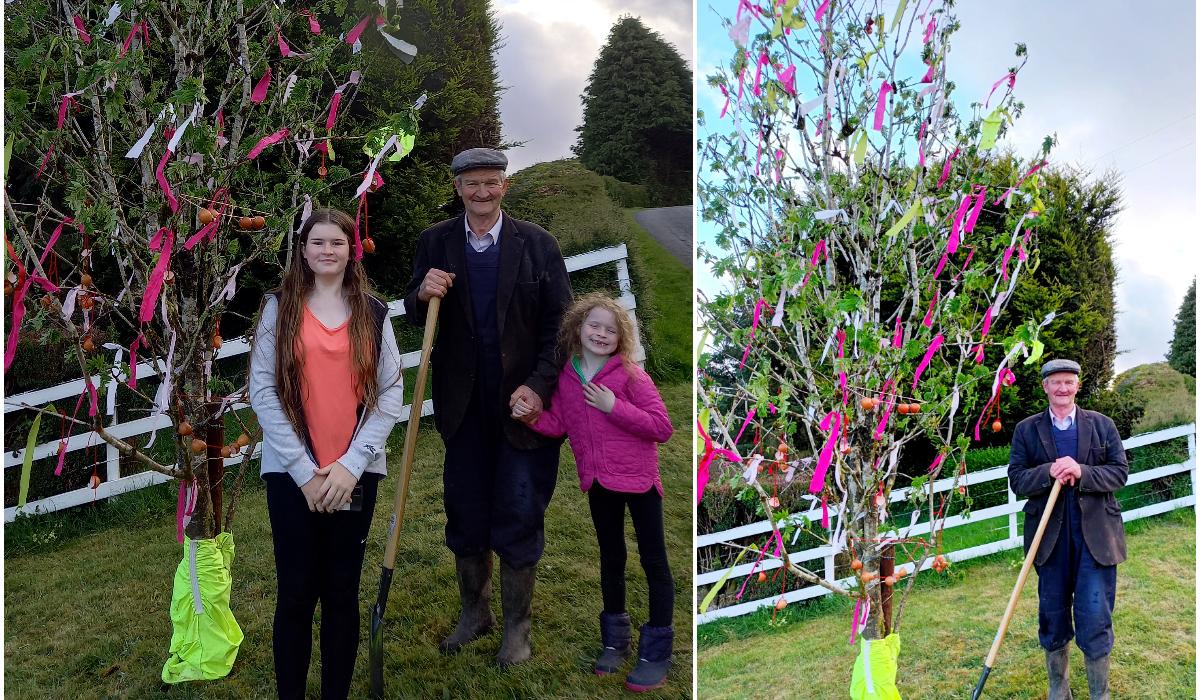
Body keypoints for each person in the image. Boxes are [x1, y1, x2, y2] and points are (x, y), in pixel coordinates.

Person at [403, 147, 572, 667]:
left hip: (523, 410)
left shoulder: (538, 245)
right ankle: (475, 613)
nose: (482, 192)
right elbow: (414, 310)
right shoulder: (435, 242)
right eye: (472, 183)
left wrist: (539, 387)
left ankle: (517, 629)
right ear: (458, 188)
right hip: (463, 409)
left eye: (491, 182)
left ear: (505, 185)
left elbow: (561, 328)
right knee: (467, 512)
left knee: (519, 512)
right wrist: (420, 293)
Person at [249, 208, 405, 699]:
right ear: (303, 250)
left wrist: (350, 467)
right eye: (317, 242)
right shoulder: (279, 309)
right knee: (296, 593)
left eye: (337, 242)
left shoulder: (373, 313)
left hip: (353, 476)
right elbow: (262, 390)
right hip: (292, 477)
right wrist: (304, 472)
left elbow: (390, 393)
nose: (327, 250)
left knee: (341, 592)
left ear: (351, 250)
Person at [513, 293, 675, 692]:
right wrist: (532, 416)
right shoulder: (568, 378)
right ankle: (615, 641)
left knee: (653, 561)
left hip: (640, 482)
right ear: (578, 328)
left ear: (622, 337)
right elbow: (560, 424)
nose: (601, 334)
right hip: (599, 483)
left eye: (611, 329)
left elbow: (661, 427)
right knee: (611, 559)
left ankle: (656, 651)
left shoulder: (632, 376)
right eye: (594, 325)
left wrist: (613, 406)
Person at [1008, 359, 1128, 700]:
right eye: (1056, 382)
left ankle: (1099, 694)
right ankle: (1058, 689)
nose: (1063, 388)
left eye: (1069, 382)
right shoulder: (1027, 430)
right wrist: (1048, 471)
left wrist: (1082, 471)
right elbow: (1017, 479)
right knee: (1053, 616)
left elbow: (1119, 472)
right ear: (1045, 386)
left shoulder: (1102, 425)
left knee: (1095, 616)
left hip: (1096, 539)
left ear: (1078, 386)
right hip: (1050, 540)